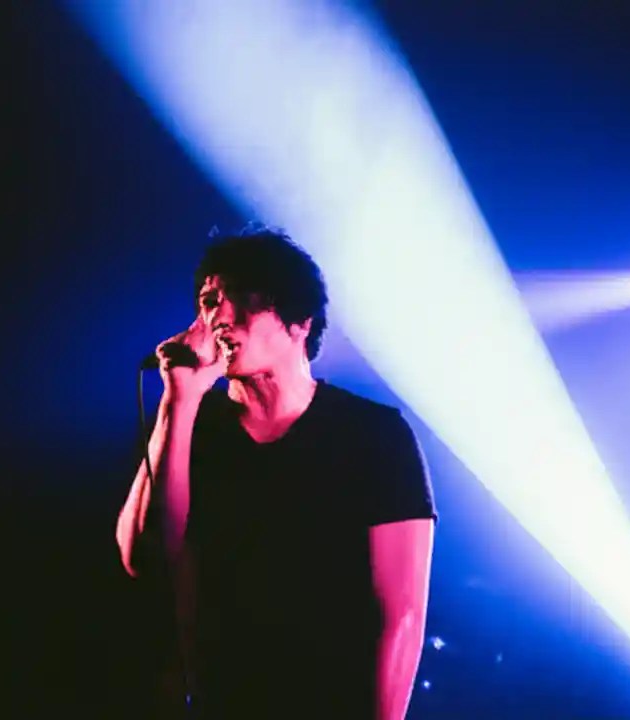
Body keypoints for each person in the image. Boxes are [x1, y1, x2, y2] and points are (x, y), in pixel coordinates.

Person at [117, 227, 437, 719]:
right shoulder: (185, 431)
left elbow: (402, 614)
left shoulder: (373, 434)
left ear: (300, 322)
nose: (219, 316)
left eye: (244, 298)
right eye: (208, 301)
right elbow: (147, 559)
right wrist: (178, 400)